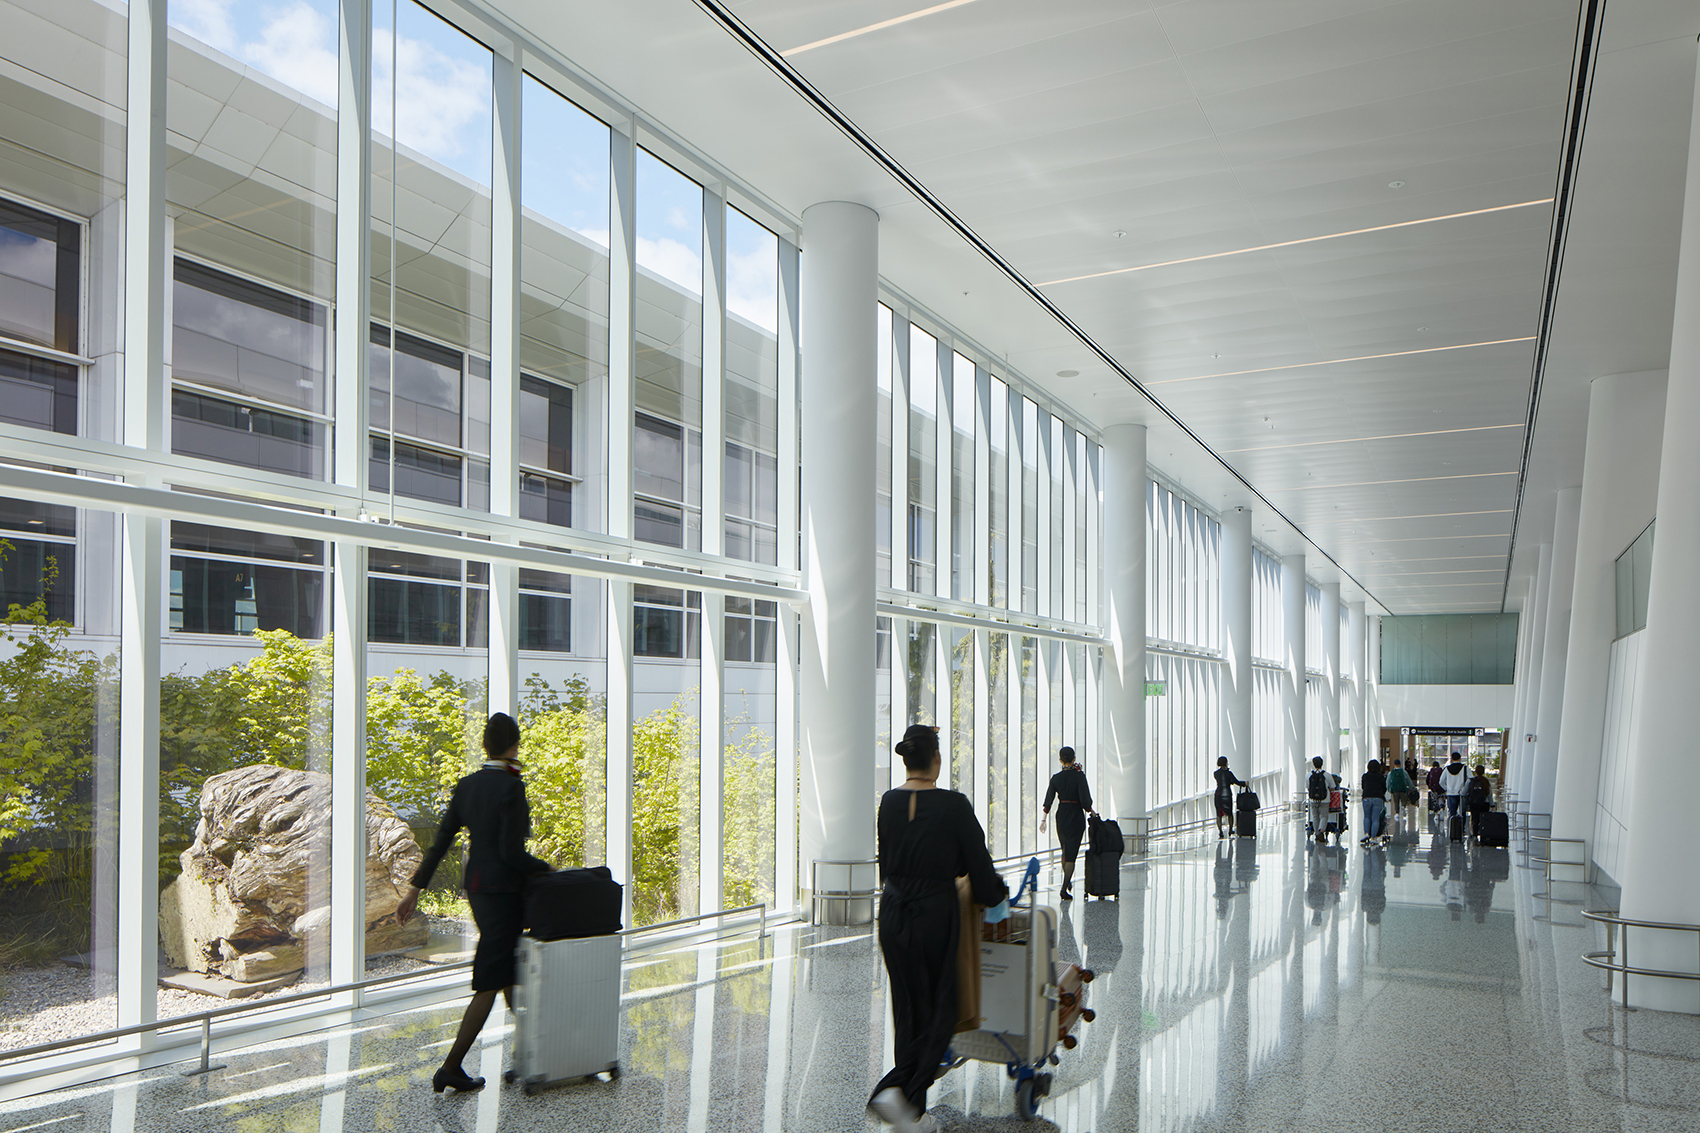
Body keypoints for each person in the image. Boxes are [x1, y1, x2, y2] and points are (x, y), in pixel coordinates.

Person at [397, 712, 554, 1094]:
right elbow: (511, 852)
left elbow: (440, 844)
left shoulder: (466, 785)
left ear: (486, 746)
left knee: (505, 972)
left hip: (479, 892)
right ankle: (450, 1066)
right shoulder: (511, 788)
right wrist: (546, 869)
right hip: (504, 894)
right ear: (514, 746)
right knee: (491, 978)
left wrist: (415, 888)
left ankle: (541, 1053)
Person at [871, 724, 1008, 1133]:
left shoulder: (889, 802)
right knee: (941, 1009)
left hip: (893, 910)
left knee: (908, 1006)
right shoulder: (954, 805)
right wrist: (995, 894)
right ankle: (895, 1091)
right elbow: (978, 866)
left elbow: (886, 860)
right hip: (934, 913)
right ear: (936, 759)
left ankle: (912, 1113)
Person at [1039, 746, 1096, 899]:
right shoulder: (1079, 777)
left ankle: (1067, 878)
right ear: (1074, 759)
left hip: (1061, 816)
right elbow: (1085, 801)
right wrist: (1092, 811)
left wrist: (1043, 820)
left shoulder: (1056, 778)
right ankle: (1064, 888)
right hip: (1076, 816)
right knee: (1071, 853)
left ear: (1060, 760)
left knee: (1065, 848)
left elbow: (1048, 801)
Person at [1211, 755, 1246, 839]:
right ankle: (1230, 829)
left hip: (1218, 795)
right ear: (1226, 763)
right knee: (1229, 813)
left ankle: (1220, 831)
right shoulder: (1229, 773)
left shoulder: (1216, 773)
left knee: (1218, 814)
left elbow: (1221, 780)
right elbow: (1236, 781)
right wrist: (1244, 783)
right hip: (1227, 795)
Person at [1360, 759, 1387, 846]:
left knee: (1366, 816)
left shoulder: (1365, 776)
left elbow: (1363, 787)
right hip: (1378, 798)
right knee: (1375, 818)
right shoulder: (1381, 776)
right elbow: (1384, 788)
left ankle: (1366, 834)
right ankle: (1373, 838)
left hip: (1366, 797)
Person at [1305, 756, 1330, 845]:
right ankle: (1321, 831)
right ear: (1322, 764)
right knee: (1324, 816)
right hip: (1325, 799)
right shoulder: (1326, 775)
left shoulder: (1308, 775)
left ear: (1313, 764)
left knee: (1315, 816)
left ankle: (1316, 834)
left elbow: (1308, 787)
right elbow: (1333, 787)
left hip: (1313, 799)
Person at [1439, 751, 1471, 822]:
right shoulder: (1465, 768)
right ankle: (1462, 829)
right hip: (1462, 793)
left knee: (1452, 813)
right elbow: (1470, 780)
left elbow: (1441, 782)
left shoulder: (1447, 769)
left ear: (1451, 759)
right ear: (1460, 758)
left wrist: (1446, 788)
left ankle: (1452, 828)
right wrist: (1465, 789)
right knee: (1462, 812)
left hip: (1451, 793)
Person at [1466, 763, 1494, 839]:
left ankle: (1474, 835)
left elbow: (1465, 791)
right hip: (1484, 803)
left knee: (1475, 819)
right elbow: (1489, 794)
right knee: (1483, 819)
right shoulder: (1486, 781)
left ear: (1475, 771)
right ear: (1483, 772)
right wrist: (1492, 805)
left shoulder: (1471, 781)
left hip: (1474, 803)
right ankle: (1483, 835)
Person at [1386, 759, 1414, 827]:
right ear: (1400, 764)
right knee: (1404, 800)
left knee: (1396, 801)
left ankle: (1397, 813)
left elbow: (1388, 781)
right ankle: (1403, 807)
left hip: (1395, 789)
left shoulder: (1391, 772)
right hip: (1403, 789)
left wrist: (1388, 788)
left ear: (1394, 764)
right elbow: (1408, 780)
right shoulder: (1404, 772)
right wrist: (1412, 787)